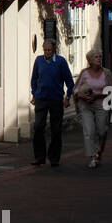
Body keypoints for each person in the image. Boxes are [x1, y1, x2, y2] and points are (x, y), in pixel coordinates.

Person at [30, 38, 73, 167]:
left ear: (54, 49)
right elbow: (34, 79)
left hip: (56, 100)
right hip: (41, 99)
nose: (47, 52)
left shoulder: (60, 62)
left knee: (56, 129)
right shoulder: (39, 60)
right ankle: (40, 157)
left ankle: (54, 158)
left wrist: (68, 97)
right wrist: (34, 93)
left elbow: (69, 81)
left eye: (49, 50)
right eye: (45, 50)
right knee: (38, 127)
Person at [74, 48, 112, 169]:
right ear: (90, 60)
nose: (99, 59)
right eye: (96, 57)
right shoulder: (84, 73)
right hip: (86, 105)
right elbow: (75, 89)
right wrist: (80, 95)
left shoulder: (106, 73)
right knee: (89, 131)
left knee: (102, 131)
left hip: (102, 104)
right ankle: (92, 157)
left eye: (100, 57)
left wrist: (97, 95)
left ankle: (99, 151)